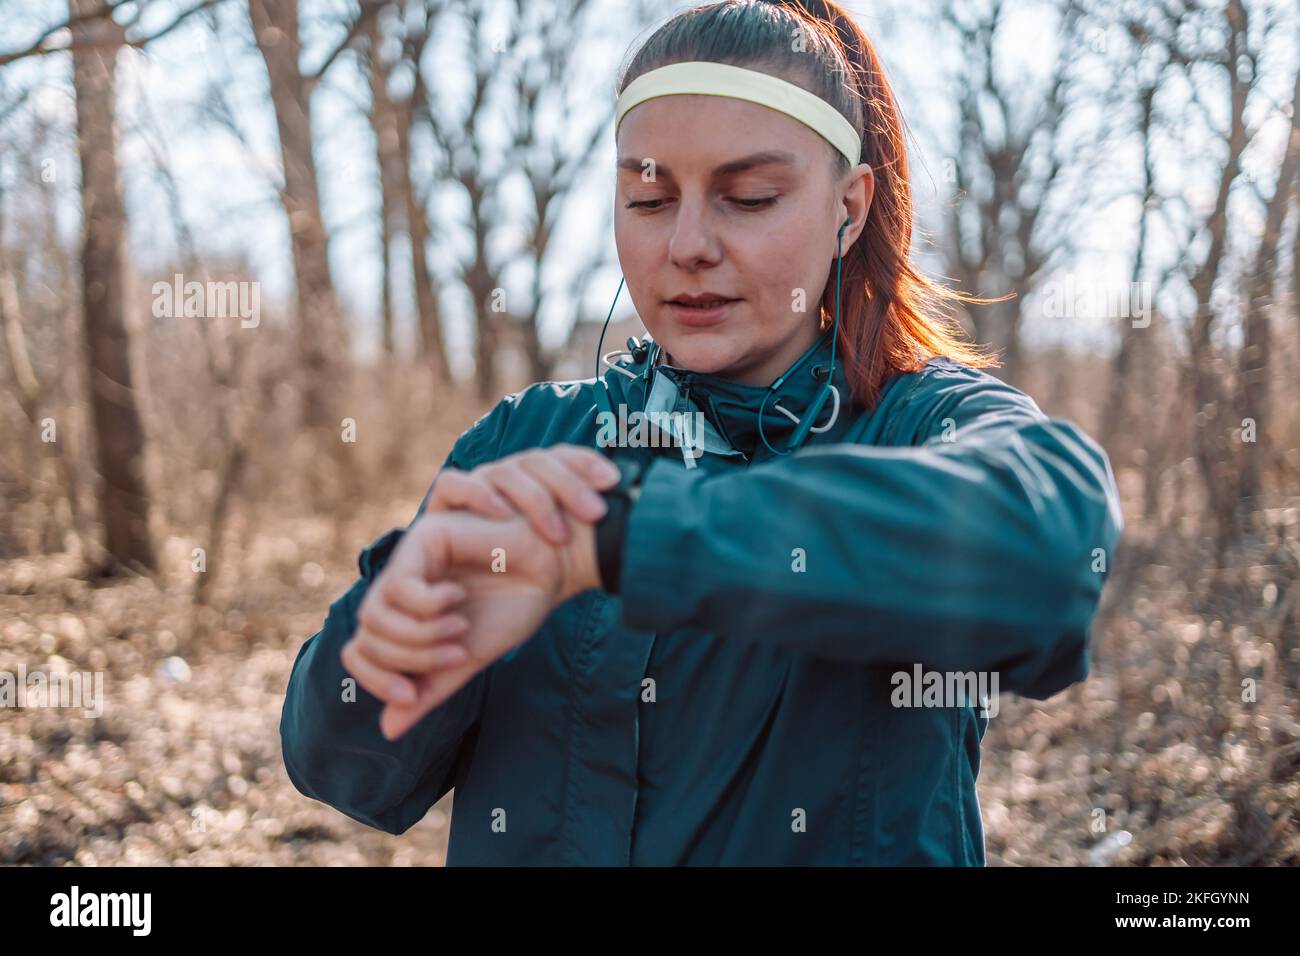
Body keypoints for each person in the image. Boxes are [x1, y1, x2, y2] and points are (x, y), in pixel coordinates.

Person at [280, 0, 1123, 865]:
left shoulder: (923, 425)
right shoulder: (529, 442)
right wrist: (392, 629)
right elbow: (342, 770)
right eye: (648, 198)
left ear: (850, 208)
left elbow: (1051, 562)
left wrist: (626, 540)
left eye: (748, 197)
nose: (687, 244)